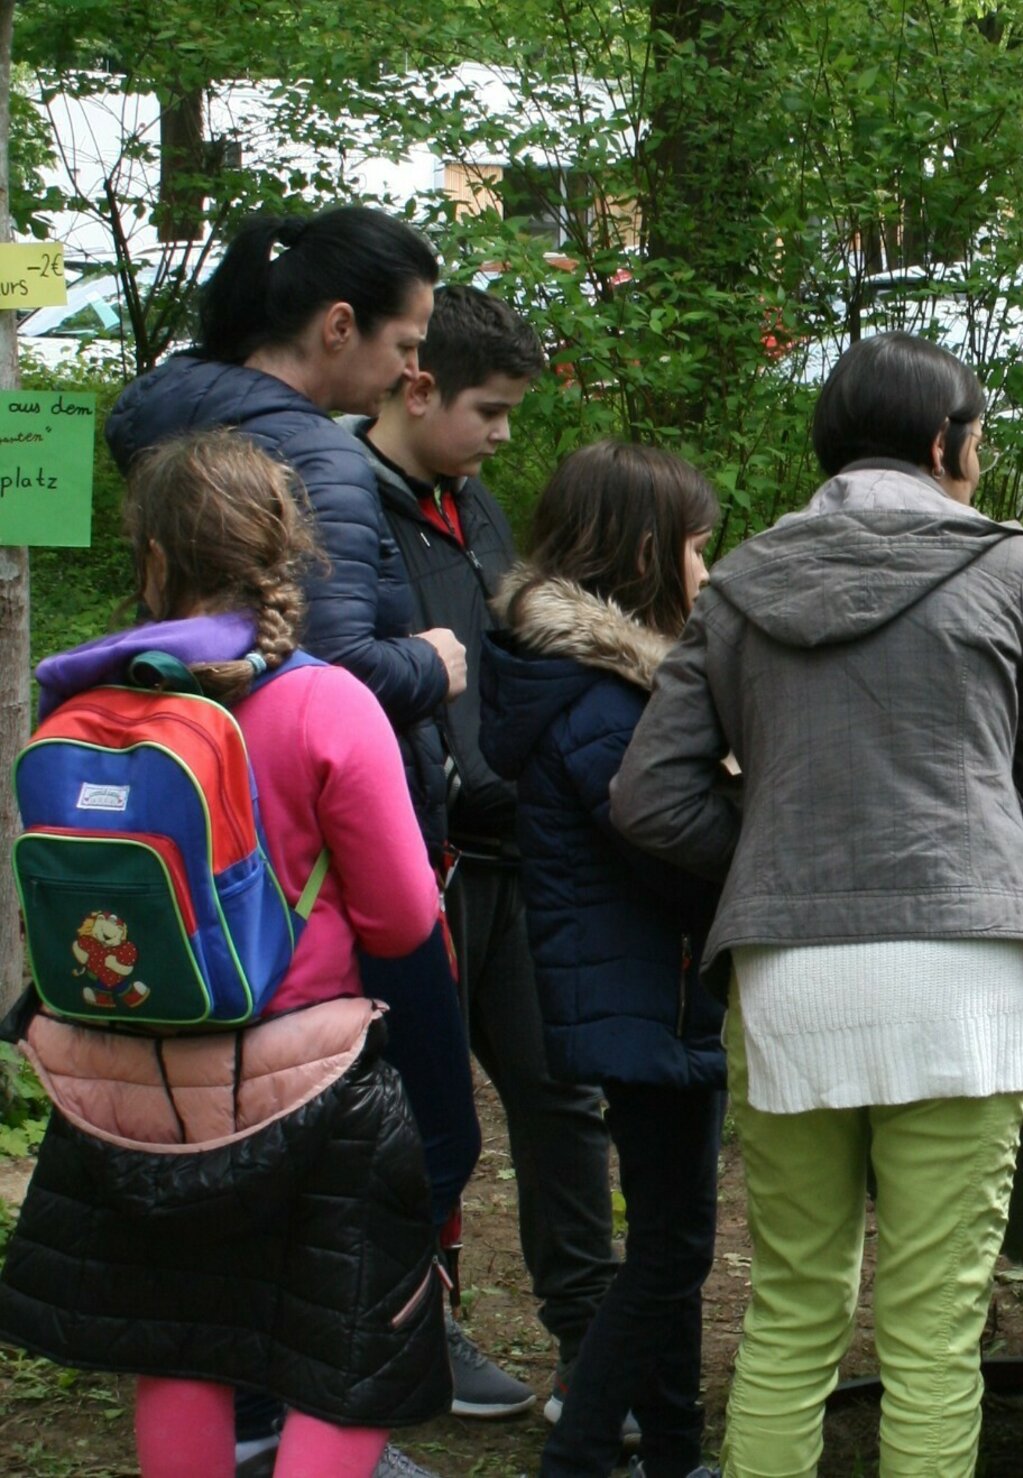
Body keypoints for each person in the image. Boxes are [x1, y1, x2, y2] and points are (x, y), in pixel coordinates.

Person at [608, 331, 1023, 1476]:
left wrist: (781, 843)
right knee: (932, 1332)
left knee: (788, 1309)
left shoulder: (740, 577)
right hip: (963, 969)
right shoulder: (1009, 565)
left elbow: (647, 792)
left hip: (791, 971)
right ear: (943, 441)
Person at [0, 431, 465, 1478]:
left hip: (128, 1083)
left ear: (150, 554)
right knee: (352, 1350)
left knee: (182, 1344)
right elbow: (397, 921)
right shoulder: (325, 701)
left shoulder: (80, 702)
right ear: (289, 549)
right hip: (306, 1086)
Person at [353, 285, 619, 1424]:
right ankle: (416, 1331)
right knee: (415, 1114)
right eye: (490, 408)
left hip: (512, 855)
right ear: (417, 387)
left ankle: (594, 1341)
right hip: (411, 865)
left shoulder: (475, 504)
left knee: (563, 1096)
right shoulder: (343, 506)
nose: (505, 432)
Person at [480, 441, 727, 1478]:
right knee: (671, 1248)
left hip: (633, 986)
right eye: (693, 548)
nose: (705, 571)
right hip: (642, 987)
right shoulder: (602, 700)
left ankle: (674, 1451)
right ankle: (579, 1455)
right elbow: (667, 852)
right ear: (640, 553)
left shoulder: (585, 681)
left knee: (672, 1236)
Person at [104, 204, 462, 857]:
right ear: (340, 326)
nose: (413, 371)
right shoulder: (320, 458)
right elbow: (333, 667)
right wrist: (432, 663)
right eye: (406, 345)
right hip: (305, 832)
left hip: (191, 786)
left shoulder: (180, 420)